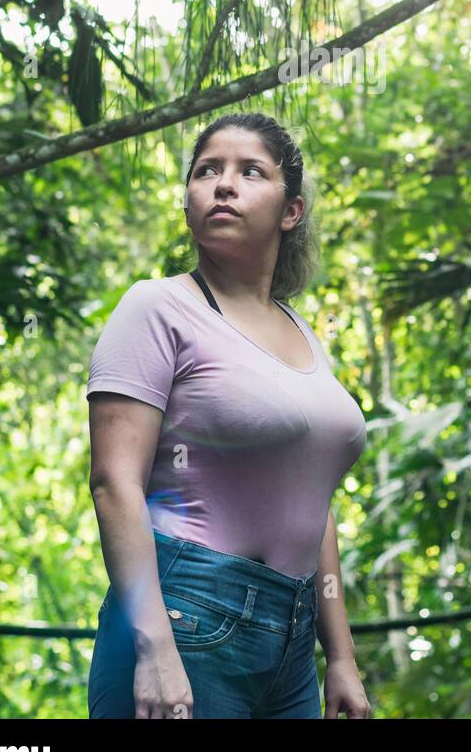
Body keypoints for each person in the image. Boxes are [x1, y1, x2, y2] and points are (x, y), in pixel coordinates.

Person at [86, 111, 370, 718]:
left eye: (250, 172)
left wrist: (339, 656)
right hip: (185, 615)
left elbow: (312, 502)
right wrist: (156, 645)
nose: (223, 184)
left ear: (290, 211)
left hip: (293, 645)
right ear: (187, 203)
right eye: (207, 170)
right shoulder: (156, 307)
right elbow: (115, 484)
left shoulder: (303, 333)